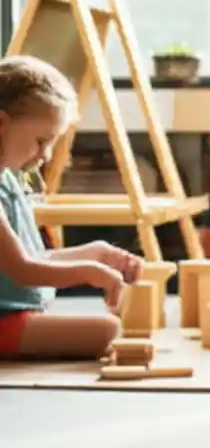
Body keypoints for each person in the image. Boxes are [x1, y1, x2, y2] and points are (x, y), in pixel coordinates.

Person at [0, 55, 138, 360]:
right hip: (3, 322)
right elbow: (22, 270)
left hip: (14, 315)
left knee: (108, 328)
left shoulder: (8, 179)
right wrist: (87, 272)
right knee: (105, 330)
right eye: (40, 141)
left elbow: (29, 258)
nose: (46, 156)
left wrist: (95, 252)